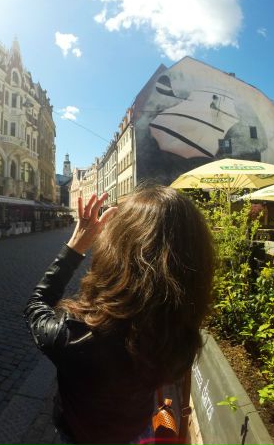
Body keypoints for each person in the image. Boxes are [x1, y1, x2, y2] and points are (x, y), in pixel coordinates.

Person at [24, 186, 215, 444]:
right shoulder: (179, 327)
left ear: (115, 253)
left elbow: (36, 305)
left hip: (79, 434)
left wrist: (75, 247)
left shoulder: (76, 336)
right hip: (136, 428)